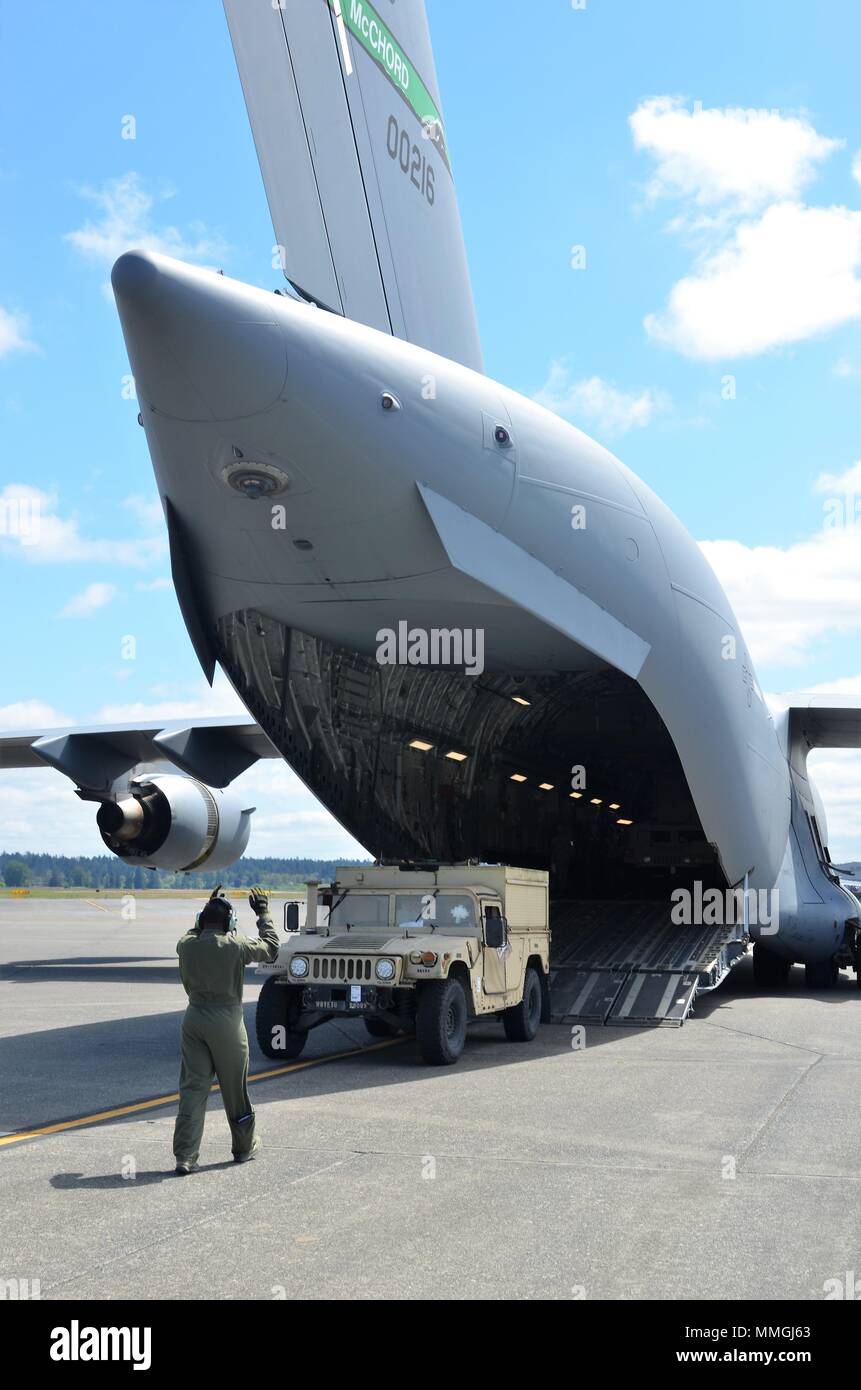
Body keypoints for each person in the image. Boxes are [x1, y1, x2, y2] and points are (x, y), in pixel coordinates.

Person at [172, 885, 279, 1174]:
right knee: (235, 1091)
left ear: (200, 921)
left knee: (193, 1090)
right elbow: (271, 947)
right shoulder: (236, 946)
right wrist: (263, 913)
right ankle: (244, 1147)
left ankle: (185, 1155)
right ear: (230, 924)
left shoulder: (186, 944)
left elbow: (193, 932)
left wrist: (209, 909)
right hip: (227, 1022)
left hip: (193, 1019)